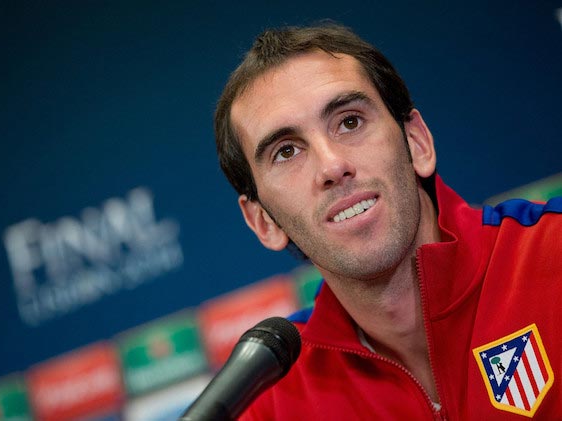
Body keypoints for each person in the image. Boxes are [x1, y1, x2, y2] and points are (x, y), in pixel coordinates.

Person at [214, 23, 562, 419]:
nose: (331, 165)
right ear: (263, 221)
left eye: (349, 122)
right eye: (287, 151)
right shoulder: (270, 403)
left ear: (417, 143)